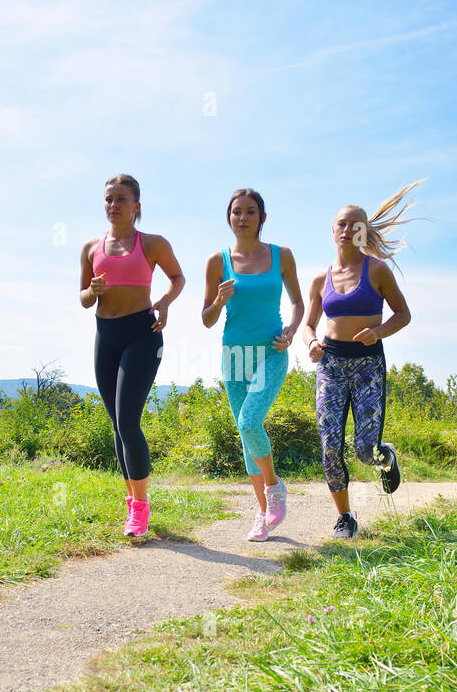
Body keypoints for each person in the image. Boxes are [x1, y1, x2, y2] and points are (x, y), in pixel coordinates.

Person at [300, 180, 423, 539]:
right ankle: (345, 517)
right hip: (331, 365)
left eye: (356, 224)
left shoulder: (378, 270)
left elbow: (403, 314)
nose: (347, 229)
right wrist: (310, 344)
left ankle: (385, 456)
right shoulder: (321, 277)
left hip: (368, 364)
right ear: (332, 230)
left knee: (365, 450)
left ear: (364, 232)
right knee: (329, 446)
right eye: (341, 223)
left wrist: (378, 332)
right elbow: (308, 325)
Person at [79, 174, 185, 536]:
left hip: (142, 333)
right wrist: (91, 290)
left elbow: (177, 278)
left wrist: (165, 303)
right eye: (108, 199)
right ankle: (132, 502)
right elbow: (82, 298)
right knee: (116, 424)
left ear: (136, 206)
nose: (113, 205)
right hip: (105, 335)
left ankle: (140, 508)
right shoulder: (92, 248)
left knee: (127, 421)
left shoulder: (152, 243)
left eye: (121, 199)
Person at [202, 188, 304, 541]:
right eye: (236, 212)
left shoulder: (281, 256)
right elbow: (206, 319)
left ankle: (274, 489)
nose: (242, 218)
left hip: (271, 351)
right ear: (228, 218)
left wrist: (291, 330)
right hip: (234, 356)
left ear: (262, 217)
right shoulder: (218, 261)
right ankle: (262, 513)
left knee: (249, 420)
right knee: (246, 435)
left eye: (250, 211)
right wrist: (218, 299)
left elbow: (298, 303)